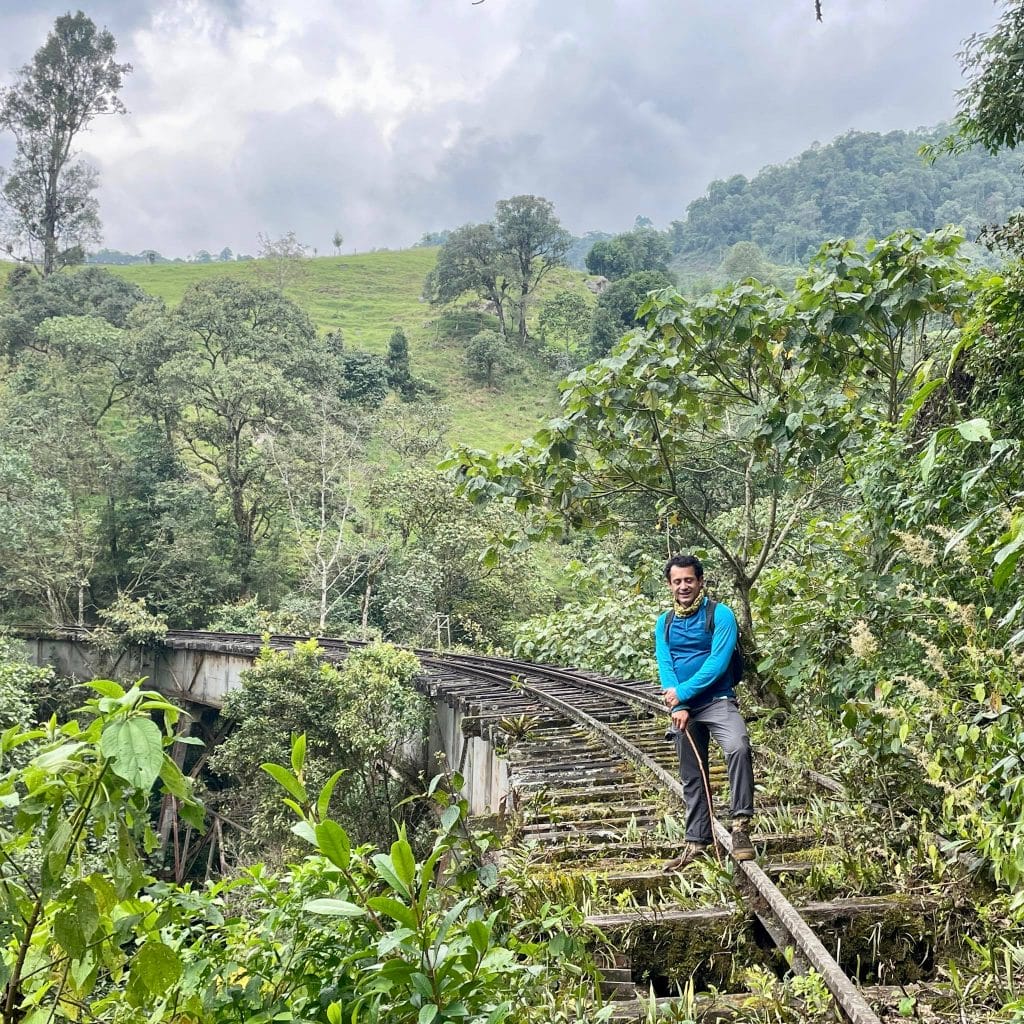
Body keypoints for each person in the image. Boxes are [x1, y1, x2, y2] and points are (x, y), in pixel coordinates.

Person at [655, 553, 755, 868]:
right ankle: (696, 841)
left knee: (738, 747)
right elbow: (666, 665)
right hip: (684, 708)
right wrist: (680, 704)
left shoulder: (720, 615)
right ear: (670, 585)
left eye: (689, 580)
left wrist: (682, 694)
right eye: (677, 581)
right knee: (691, 774)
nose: (683, 586)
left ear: (700, 581)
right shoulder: (665, 622)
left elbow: (717, 663)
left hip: (718, 701)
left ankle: (740, 826)